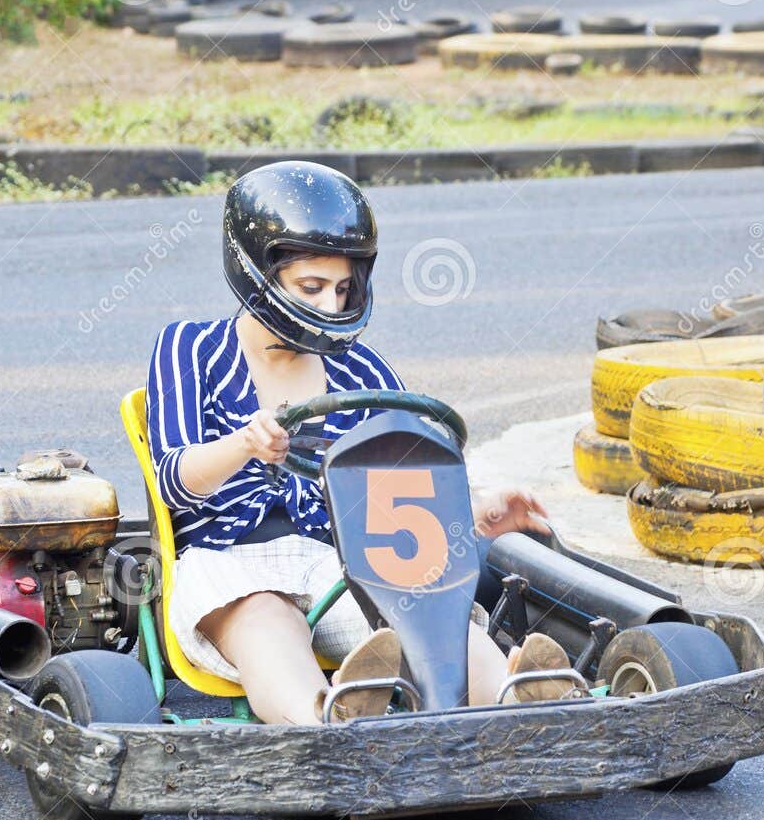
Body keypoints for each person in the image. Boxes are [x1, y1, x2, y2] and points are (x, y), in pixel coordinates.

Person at [146, 161, 572, 724]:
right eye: (311, 287)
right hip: (232, 562)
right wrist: (244, 444)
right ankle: (328, 720)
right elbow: (174, 483)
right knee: (267, 622)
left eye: (343, 288)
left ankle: (518, 703)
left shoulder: (361, 370)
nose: (329, 306)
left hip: (345, 560)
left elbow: (406, 486)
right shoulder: (190, 347)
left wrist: (477, 511)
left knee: (426, 610)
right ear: (257, 274)